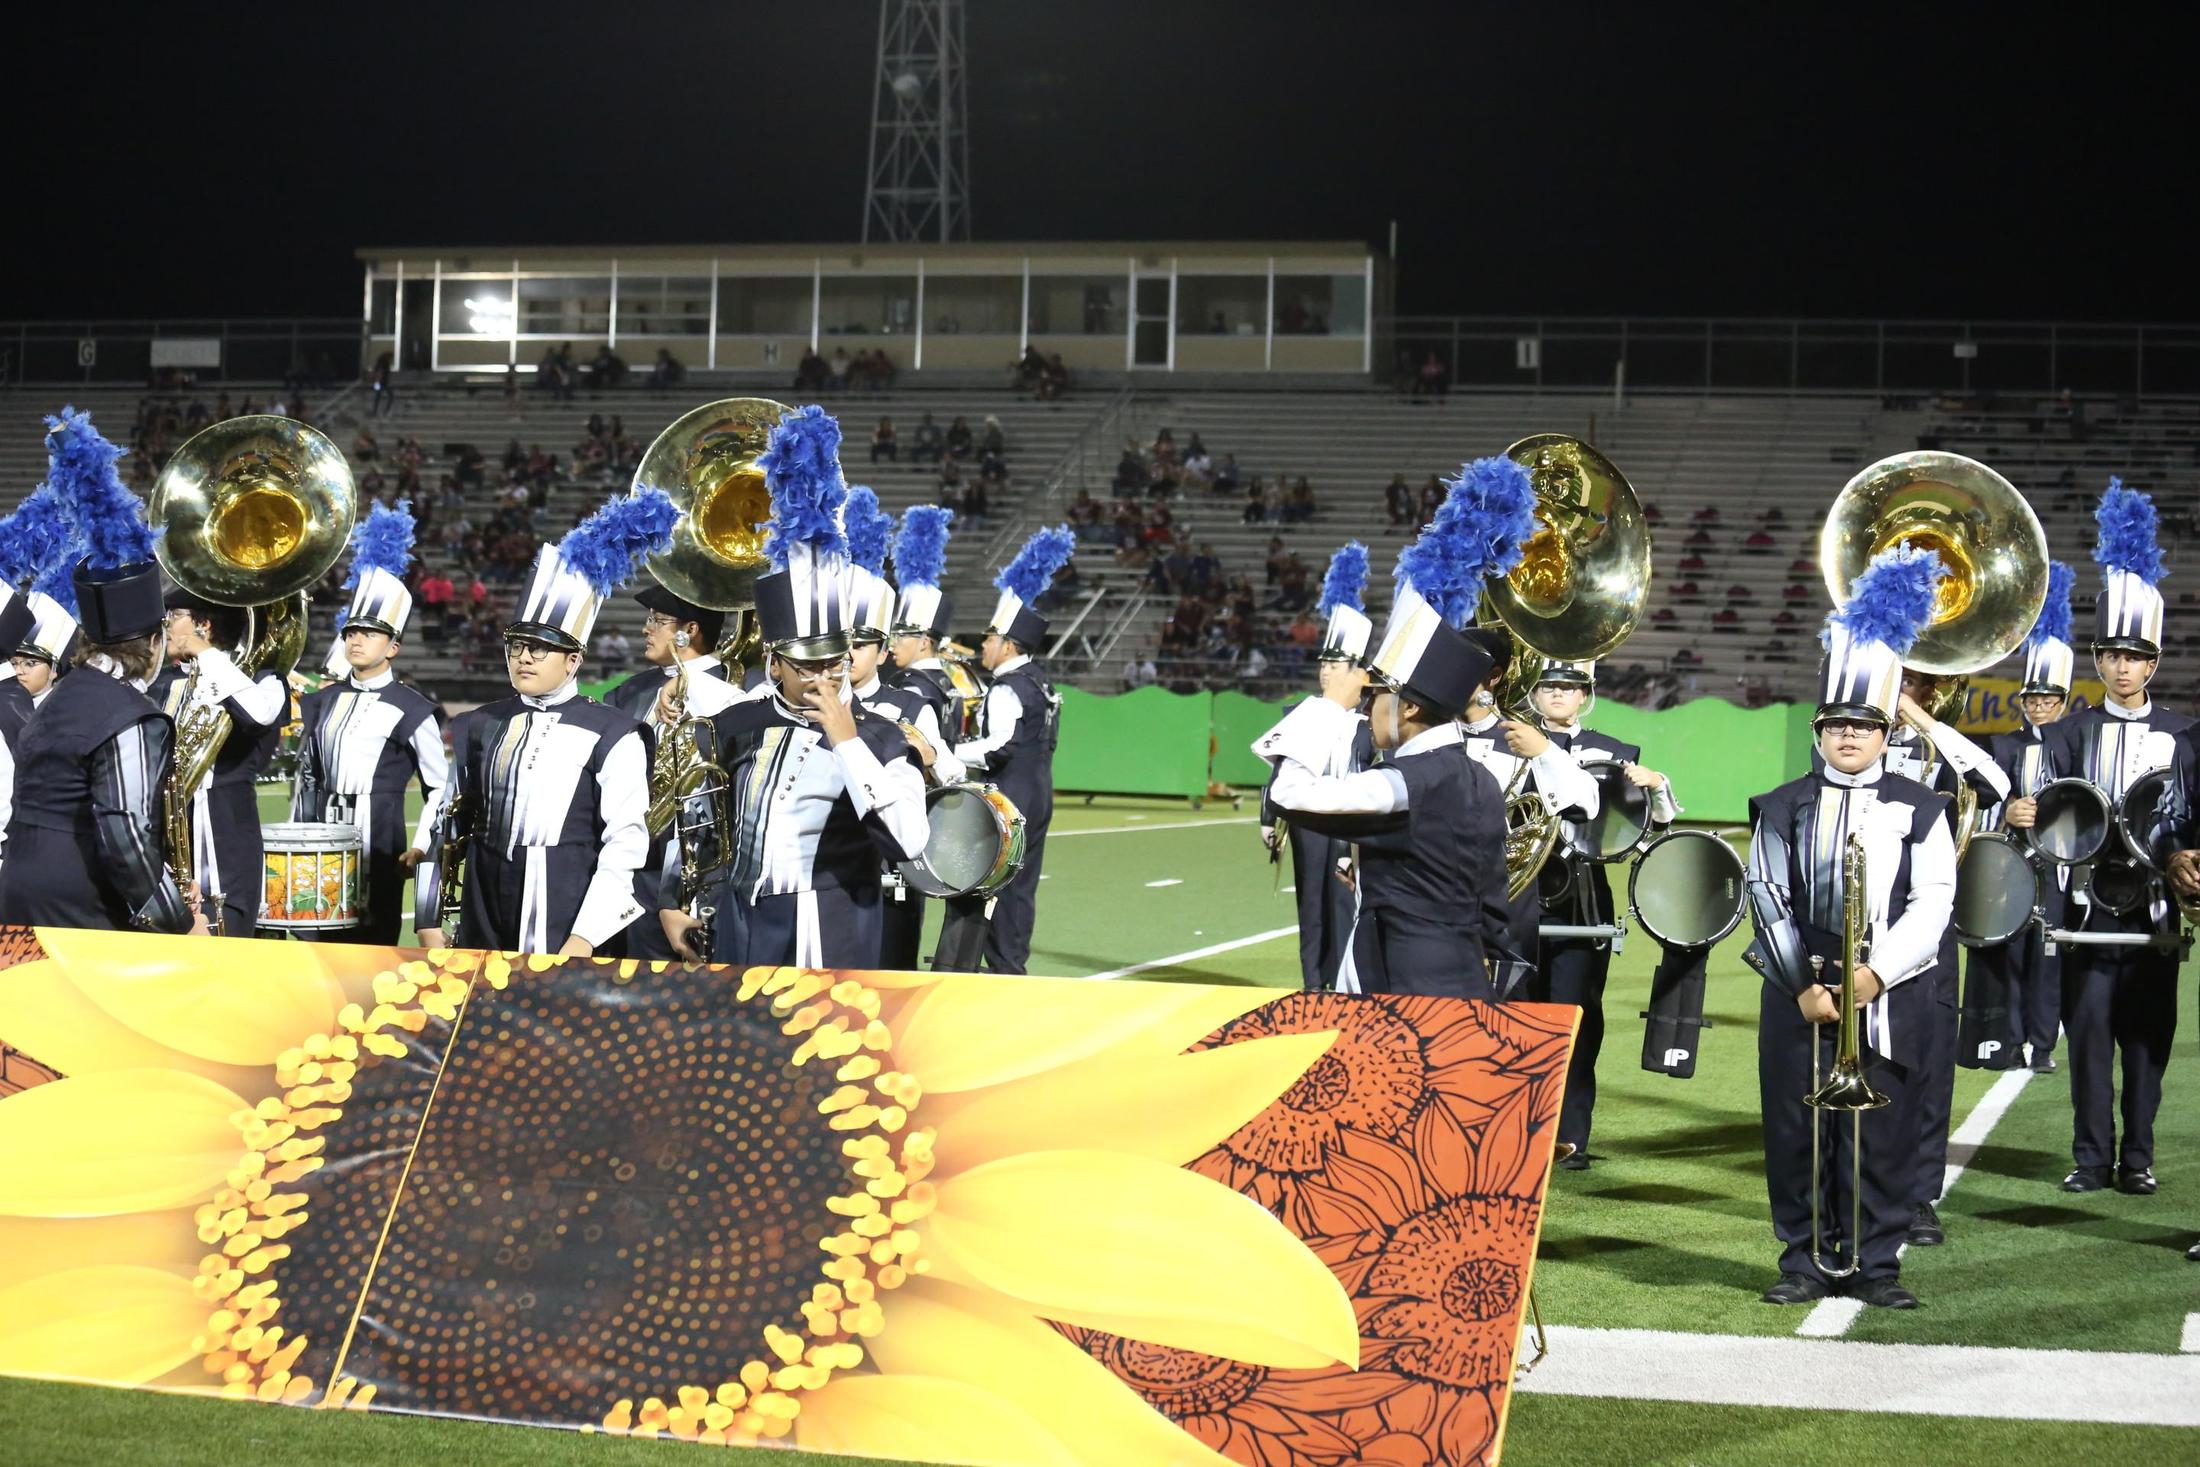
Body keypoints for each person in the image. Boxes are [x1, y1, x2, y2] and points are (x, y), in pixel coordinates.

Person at [1743, 545, 1957, 1310]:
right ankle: (1802, 1256)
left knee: (1886, 1131)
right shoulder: (1780, 803)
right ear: (1818, 726)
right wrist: (1804, 982)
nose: (1848, 737)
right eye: (1836, 723)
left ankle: (1876, 1262)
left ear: (1884, 732)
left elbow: (1934, 900)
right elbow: (1764, 892)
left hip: (1889, 986)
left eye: (1864, 725)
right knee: (1797, 1129)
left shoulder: (1921, 804)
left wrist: (1875, 975)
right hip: (1798, 984)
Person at [660, 408, 928, 969]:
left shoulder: (883, 739)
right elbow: (692, 816)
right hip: (737, 922)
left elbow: (908, 843)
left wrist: (847, 742)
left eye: (833, 663)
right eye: (805, 666)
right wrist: (674, 901)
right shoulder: (739, 723)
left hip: (828, 928)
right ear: (775, 662)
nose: (823, 677)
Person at [2006, 484, 2191, 1197]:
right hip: (2085, 910)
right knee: (2085, 1038)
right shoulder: (2062, 733)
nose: (2120, 665)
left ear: (2154, 660)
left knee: (2148, 1041)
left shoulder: (2184, 734)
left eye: (2134, 654)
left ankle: (2137, 1156)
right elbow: (2039, 813)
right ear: (2096, 657)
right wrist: (2019, 814)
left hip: (2154, 910)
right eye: (2110, 652)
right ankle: (2090, 1155)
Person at [421, 492, 670, 956]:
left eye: (541, 648)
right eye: (517, 645)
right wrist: (426, 913)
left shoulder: (614, 732)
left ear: (574, 659)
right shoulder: (478, 723)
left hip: (568, 900)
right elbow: (448, 820)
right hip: (483, 896)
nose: (525, 657)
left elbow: (627, 841)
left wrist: (586, 935)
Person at [1255, 560, 1516, 998]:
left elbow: (1287, 794)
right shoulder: (1479, 777)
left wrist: (1329, 705)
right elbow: (1492, 902)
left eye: (1375, 695)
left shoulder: (1403, 783)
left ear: (1409, 709)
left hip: (1403, 988)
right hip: (1467, 979)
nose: (1365, 706)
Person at [0, 410, 196, 934]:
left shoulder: (56, 697)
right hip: (80, 908)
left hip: (19, 898)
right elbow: (125, 831)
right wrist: (177, 919)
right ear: (153, 643)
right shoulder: (128, 713)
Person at [1532, 657, 1682, 1169]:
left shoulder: (1616, 753)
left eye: (1567, 687)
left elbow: (1655, 821)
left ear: (1584, 695)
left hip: (1583, 894)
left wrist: (1655, 783)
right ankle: (1518, 1129)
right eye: (1548, 686)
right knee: (1515, 1013)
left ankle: (1571, 1134)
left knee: (1576, 1015)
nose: (1557, 694)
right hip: (1516, 888)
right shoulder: (1506, 740)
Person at [290, 503, 448, 945]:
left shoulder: (412, 708)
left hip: (380, 844)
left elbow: (439, 786)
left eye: (370, 633)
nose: (357, 640)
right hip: (318, 845)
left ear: (393, 647)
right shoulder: (322, 701)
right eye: (351, 632)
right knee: (313, 943)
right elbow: (306, 778)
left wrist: (421, 844)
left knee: (370, 947)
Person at [1962, 561, 2076, 1079]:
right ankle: (2006, 1041)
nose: (2039, 705)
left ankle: (2042, 1042)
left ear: (2065, 701)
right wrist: (2005, 811)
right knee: (2008, 954)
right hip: (2012, 861)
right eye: (2032, 697)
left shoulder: (2080, 743)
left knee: (2048, 959)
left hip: (2062, 866)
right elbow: (1978, 798)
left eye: (2049, 698)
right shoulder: (2004, 745)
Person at [598, 582, 743, 961]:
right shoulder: (626, 693)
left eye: (657, 621)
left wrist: (690, 680)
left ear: (689, 630)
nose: (646, 629)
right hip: (625, 871)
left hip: (700, 874)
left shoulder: (741, 686)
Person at [954, 526, 1076, 974]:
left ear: (1008, 645)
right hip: (1039, 786)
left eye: (989, 639)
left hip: (1012, 792)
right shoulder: (1040, 680)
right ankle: (1012, 962)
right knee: (1021, 886)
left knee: (998, 882)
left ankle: (1004, 965)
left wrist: (951, 751)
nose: (982, 646)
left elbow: (998, 748)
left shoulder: (1008, 687)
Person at [1259, 543, 1373, 991]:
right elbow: (1281, 767)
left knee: (1343, 903)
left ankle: (1343, 982)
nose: (1326, 673)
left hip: (1349, 817)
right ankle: (1313, 983)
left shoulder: (1371, 720)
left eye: (1336, 664)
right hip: (1309, 818)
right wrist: (1269, 818)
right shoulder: (1298, 712)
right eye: (1323, 664)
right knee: (1310, 903)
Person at [154, 584, 290, 940]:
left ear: (204, 625)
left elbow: (258, 717)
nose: (165, 624)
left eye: (175, 616)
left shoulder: (266, 679)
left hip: (227, 823)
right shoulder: (163, 681)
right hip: (167, 825)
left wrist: (205, 654)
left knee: (231, 934)